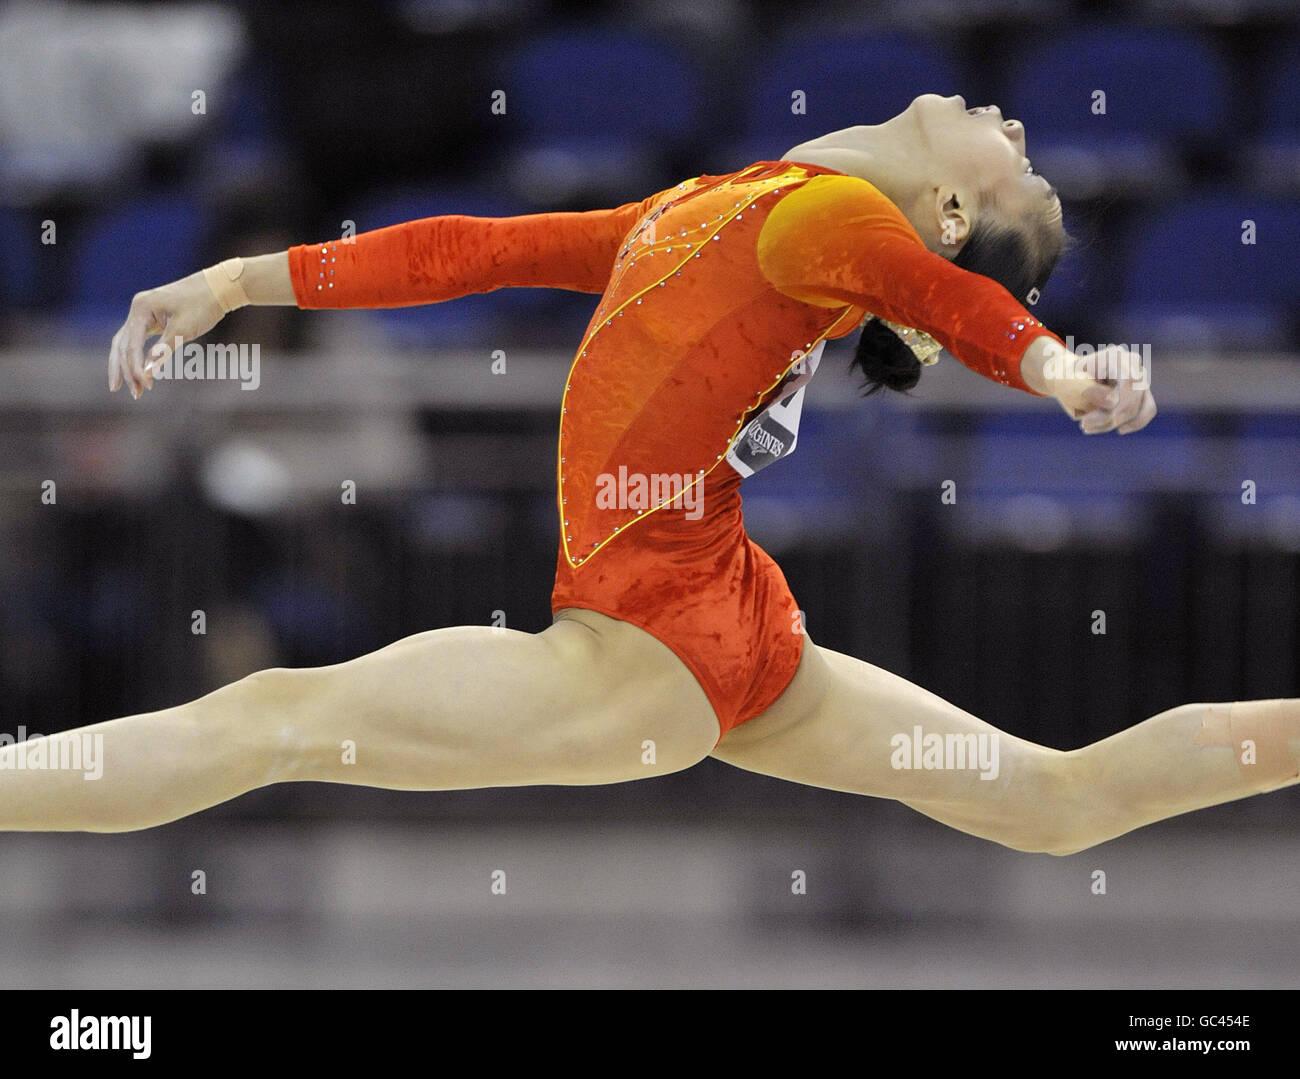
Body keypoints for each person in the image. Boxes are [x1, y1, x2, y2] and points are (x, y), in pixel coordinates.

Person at [9, 94, 1292, 852]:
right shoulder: (732, 205)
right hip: (733, 634)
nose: (1015, 126)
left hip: (645, 649)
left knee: (272, 718)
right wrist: (239, 279)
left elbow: (944, 304)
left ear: (952, 214)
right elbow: (475, 249)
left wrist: (1062, 373)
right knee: (1054, 800)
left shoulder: (835, 226)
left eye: (1025, 168)